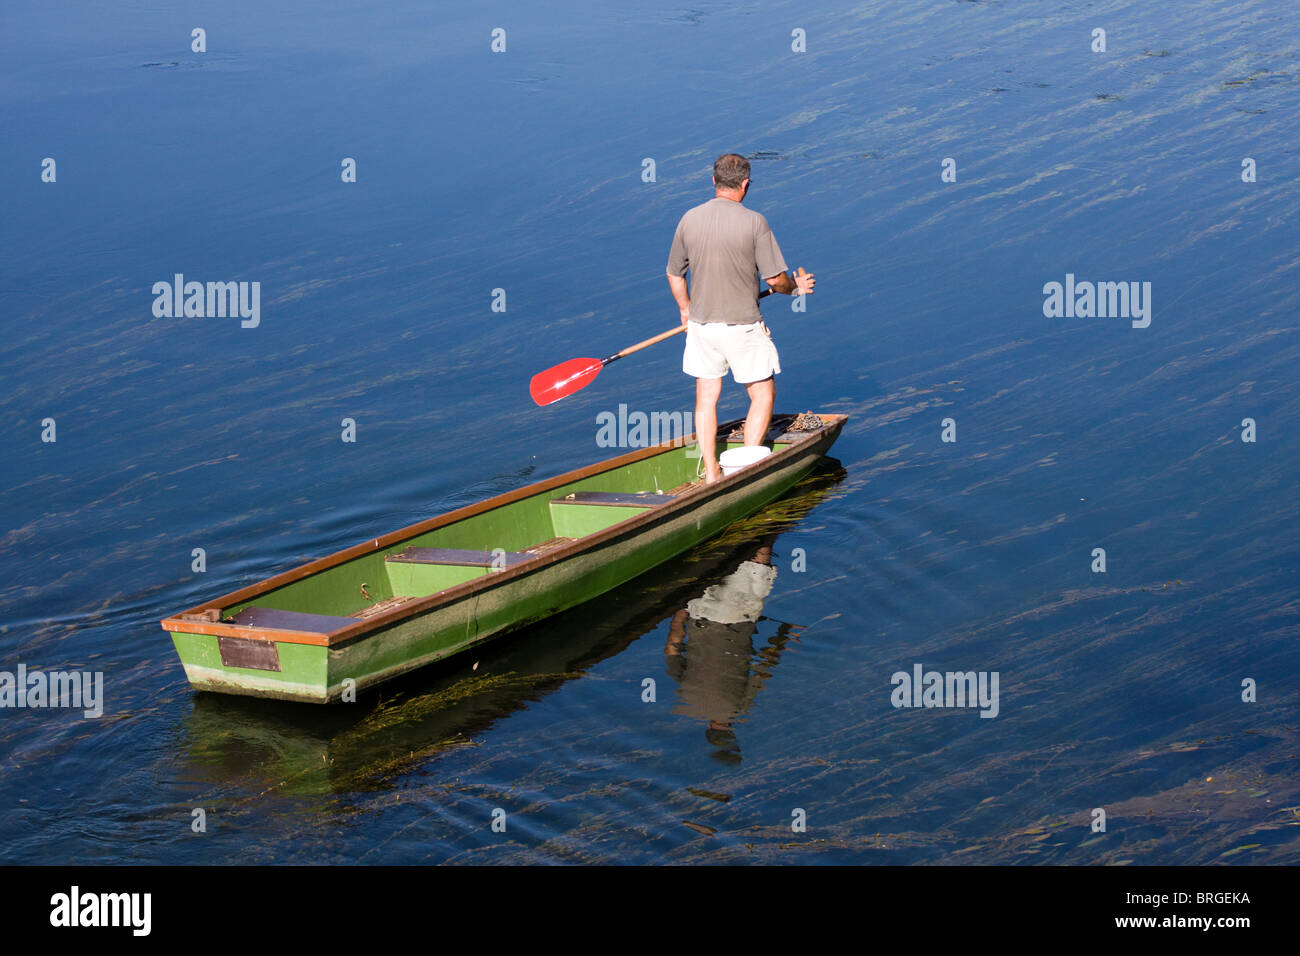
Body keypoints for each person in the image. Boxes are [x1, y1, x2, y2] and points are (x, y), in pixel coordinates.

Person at [666, 153, 814, 483]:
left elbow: (674, 274)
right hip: (743, 326)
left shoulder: (689, 218)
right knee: (762, 394)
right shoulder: (754, 222)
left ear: (714, 181)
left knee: (706, 400)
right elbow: (775, 280)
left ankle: (712, 472)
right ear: (745, 184)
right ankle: (747, 469)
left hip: (702, 327)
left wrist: (686, 310)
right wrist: (795, 289)